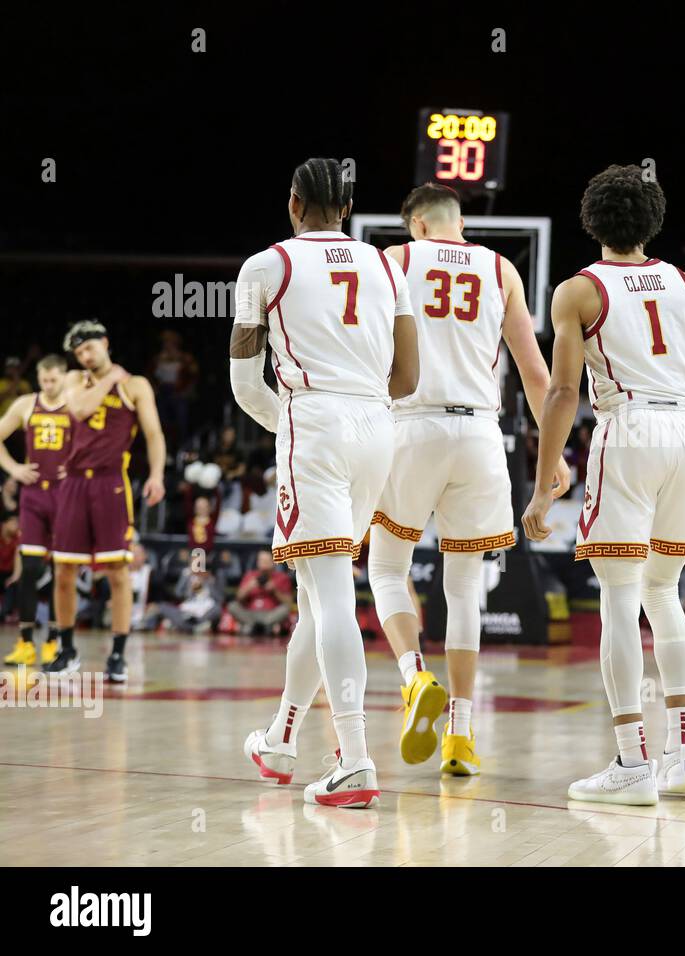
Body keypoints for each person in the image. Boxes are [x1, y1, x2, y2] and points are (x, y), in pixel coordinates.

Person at [522, 164, 685, 805]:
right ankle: (681, 756)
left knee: (620, 601)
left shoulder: (578, 293)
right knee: (664, 593)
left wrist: (543, 486)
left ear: (591, 221)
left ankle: (629, 762)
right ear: (655, 220)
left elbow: (564, 390)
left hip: (628, 427)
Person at [234, 157, 419, 809]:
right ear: (348, 207)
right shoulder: (387, 266)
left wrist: (291, 426)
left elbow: (241, 381)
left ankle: (356, 760)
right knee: (318, 594)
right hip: (378, 425)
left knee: (331, 592)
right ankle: (282, 737)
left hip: (313, 421)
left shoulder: (264, 266)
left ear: (293, 203)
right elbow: (408, 379)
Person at [363, 184, 565, 776]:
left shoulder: (395, 260)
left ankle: (411, 677)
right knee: (464, 587)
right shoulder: (501, 268)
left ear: (416, 227)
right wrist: (551, 456)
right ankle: (460, 735)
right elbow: (535, 371)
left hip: (412, 425)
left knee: (386, 569)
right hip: (480, 434)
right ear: (456, 222)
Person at [45, 322, 167, 682]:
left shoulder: (134, 384)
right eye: (79, 353)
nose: (84, 356)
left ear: (105, 343)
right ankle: (66, 651)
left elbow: (154, 433)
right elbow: (80, 410)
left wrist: (157, 474)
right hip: (73, 484)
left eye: (89, 348)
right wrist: (107, 378)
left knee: (117, 571)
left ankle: (117, 655)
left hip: (111, 483)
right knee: (63, 570)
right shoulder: (73, 381)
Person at [0, 354, 71, 667]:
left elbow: (98, 442)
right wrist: (14, 468)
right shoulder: (26, 404)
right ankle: (26, 641)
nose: (49, 385)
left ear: (64, 377)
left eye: (54, 379)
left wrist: (77, 468)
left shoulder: (76, 405)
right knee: (30, 569)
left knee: (61, 569)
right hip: (33, 495)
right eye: (44, 379)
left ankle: (55, 641)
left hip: (65, 496)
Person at [230, 550, 293, 635]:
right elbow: (238, 598)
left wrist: (275, 590)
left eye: (267, 561)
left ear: (273, 562)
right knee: (232, 606)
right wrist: (249, 587)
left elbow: (288, 603)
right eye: (262, 561)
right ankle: (254, 625)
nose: (264, 564)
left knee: (285, 609)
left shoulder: (282, 577)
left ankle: (260, 626)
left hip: (270, 614)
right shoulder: (250, 575)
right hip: (250, 614)